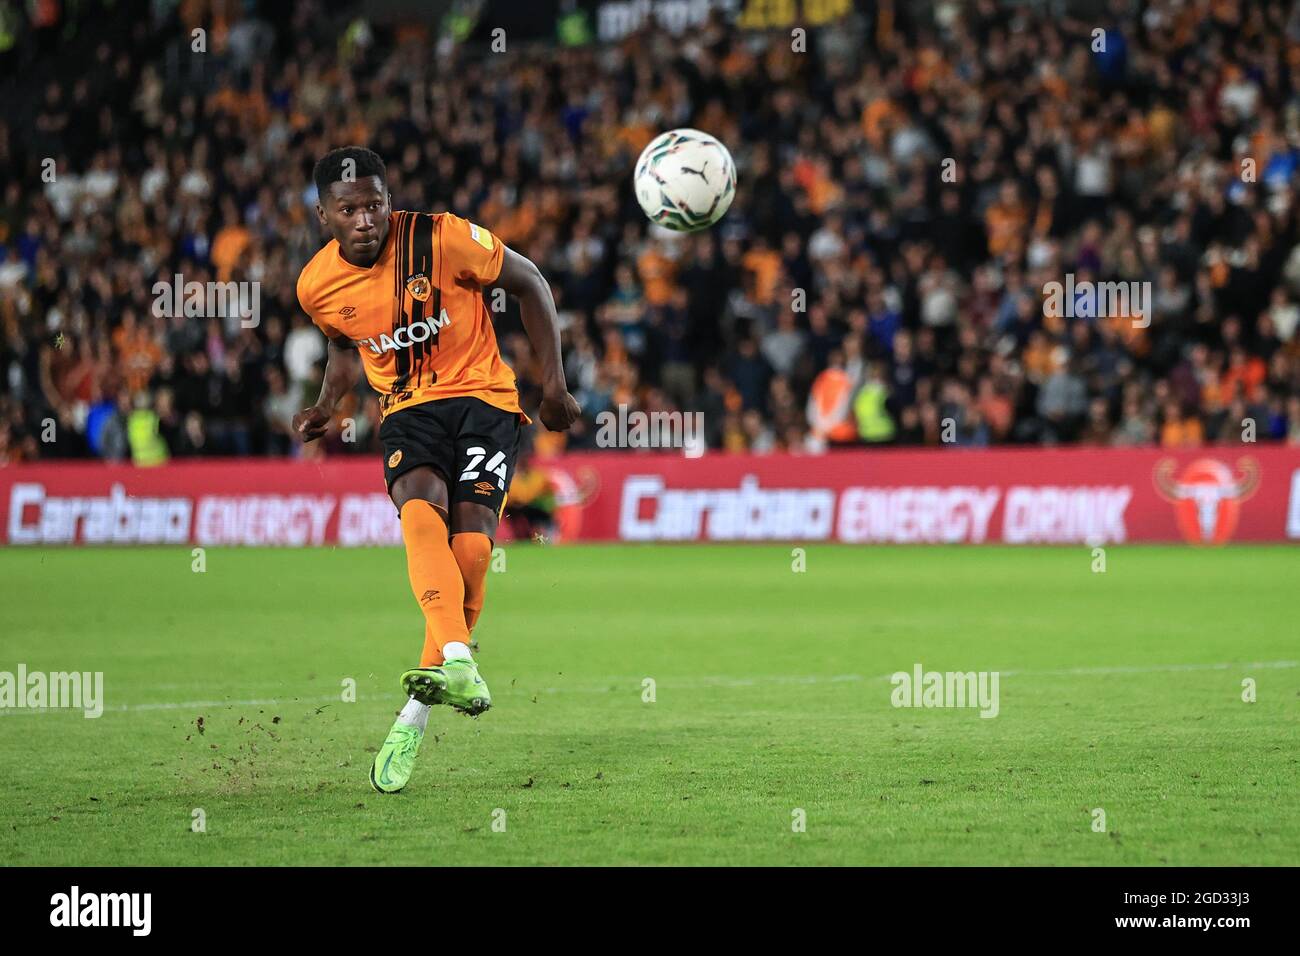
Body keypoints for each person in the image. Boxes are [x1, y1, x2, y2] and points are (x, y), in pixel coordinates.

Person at [292, 147, 580, 794]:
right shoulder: (316, 286)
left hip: (484, 401)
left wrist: (554, 385)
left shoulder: (443, 238)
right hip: (406, 411)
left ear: (389, 198)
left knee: (472, 553)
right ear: (323, 217)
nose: (366, 219)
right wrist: (325, 405)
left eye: (374, 203)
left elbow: (530, 280)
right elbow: (345, 347)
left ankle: (413, 715)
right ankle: (457, 659)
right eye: (349, 209)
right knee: (419, 511)